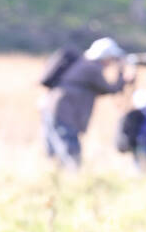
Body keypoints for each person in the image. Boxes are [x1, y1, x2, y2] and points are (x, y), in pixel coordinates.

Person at [42, 37, 128, 168]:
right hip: (64, 113)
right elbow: (109, 89)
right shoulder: (91, 68)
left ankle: (55, 179)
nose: (112, 62)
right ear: (105, 56)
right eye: (111, 58)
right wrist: (122, 75)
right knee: (70, 150)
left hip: (53, 109)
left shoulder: (83, 65)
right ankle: (74, 181)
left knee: (55, 151)